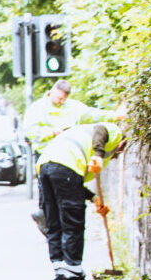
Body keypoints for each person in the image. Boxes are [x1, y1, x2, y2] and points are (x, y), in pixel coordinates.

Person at [38, 119, 124, 280]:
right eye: (116, 155)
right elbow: (101, 128)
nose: (114, 157)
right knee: (72, 222)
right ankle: (74, 276)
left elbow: (72, 182)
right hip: (65, 166)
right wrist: (98, 155)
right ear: (121, 146)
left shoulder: (79, 138)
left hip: (46, 166)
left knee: (54, 224)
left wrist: (94, 198)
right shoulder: (115, 134)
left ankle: (60, 276)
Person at [22, 79, 117, 230]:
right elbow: (30, 131)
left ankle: (57, 225)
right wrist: (52, 132)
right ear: (52, 91)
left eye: (64, 99)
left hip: (68, 155)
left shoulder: (74, 107)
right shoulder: (37, 109)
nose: (61, 102)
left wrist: (116, 116)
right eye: (59, 98)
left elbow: (93, 114)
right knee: (48, 196)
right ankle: (48, 222)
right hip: (45, 156)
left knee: (70, 191)